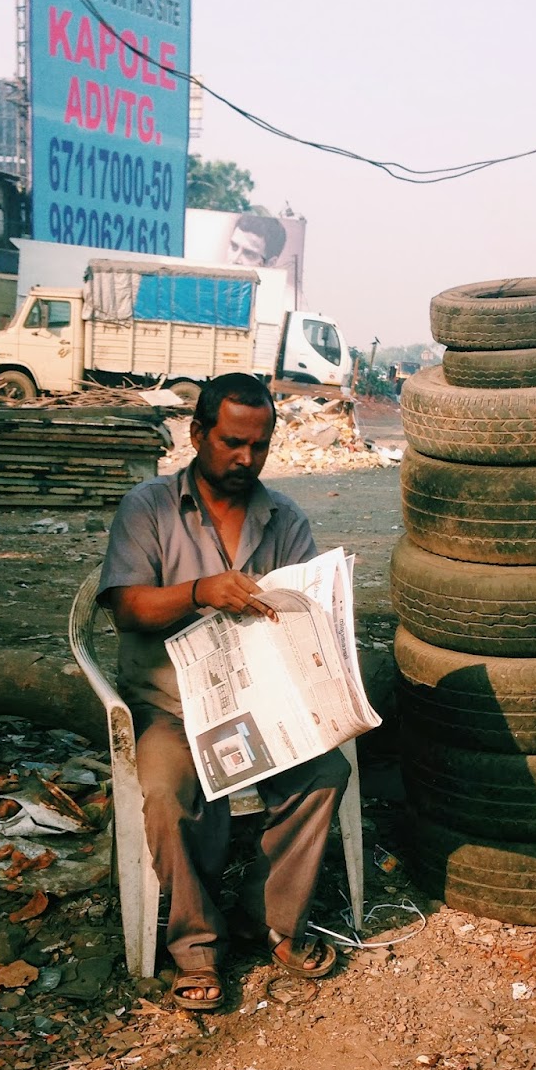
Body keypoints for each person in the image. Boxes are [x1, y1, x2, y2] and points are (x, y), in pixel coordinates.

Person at [97, 374, 349, 1011]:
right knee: (166, 788)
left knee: (326, 771)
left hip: (260, 702)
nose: (245, 458)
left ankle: (268, 919)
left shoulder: (283, 517)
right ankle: (197, 945)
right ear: (196, 434)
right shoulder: (149, 508)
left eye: (258, 446)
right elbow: (126, 608)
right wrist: (198, 592)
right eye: (232, 443)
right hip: (169, 706)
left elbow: (305, 617)